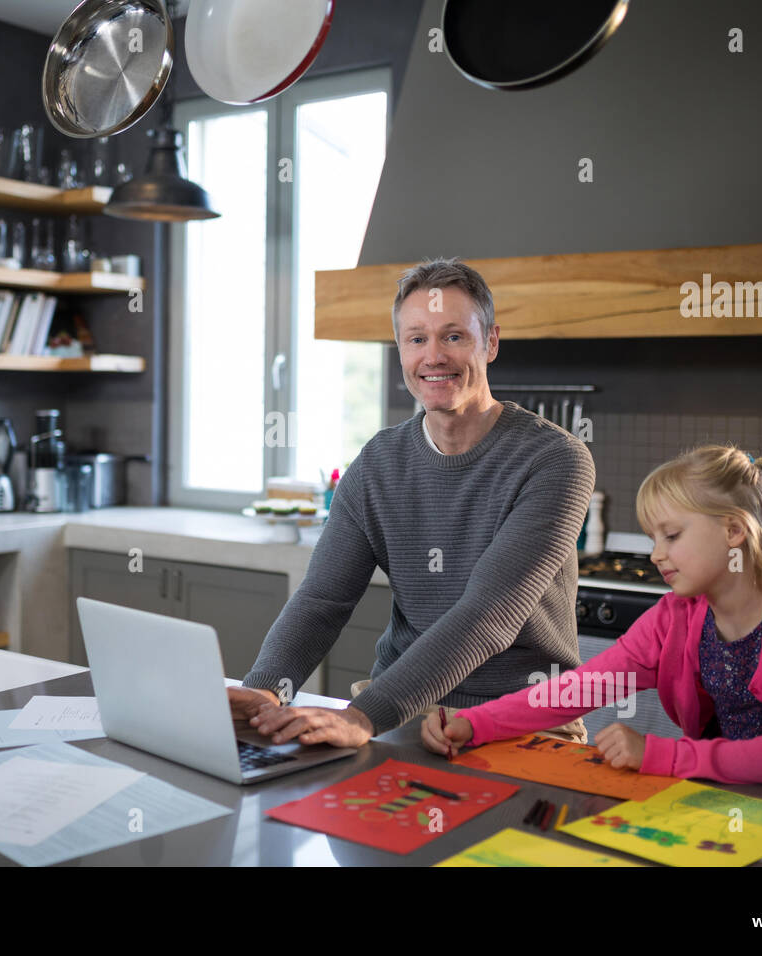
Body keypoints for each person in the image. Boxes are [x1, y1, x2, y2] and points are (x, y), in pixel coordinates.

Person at [231, 257, 595, 750]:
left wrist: (363, 718)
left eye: (453, 336)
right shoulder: (378, 463)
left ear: (489, 342)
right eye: (417, 338)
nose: (434, 356)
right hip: (407, 713)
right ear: (401, 350)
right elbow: (322, 601)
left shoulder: (556, 460)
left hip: (523, 721)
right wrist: (265, 691)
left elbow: (489, 614)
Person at [424, 445, 762, 797]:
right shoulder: (676, 617)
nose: (655, 553)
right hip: (735, 798)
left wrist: (656, 754)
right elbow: (577, 689)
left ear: (733, 530)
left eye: (672, 535)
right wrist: (474, 723)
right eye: (652, 537)